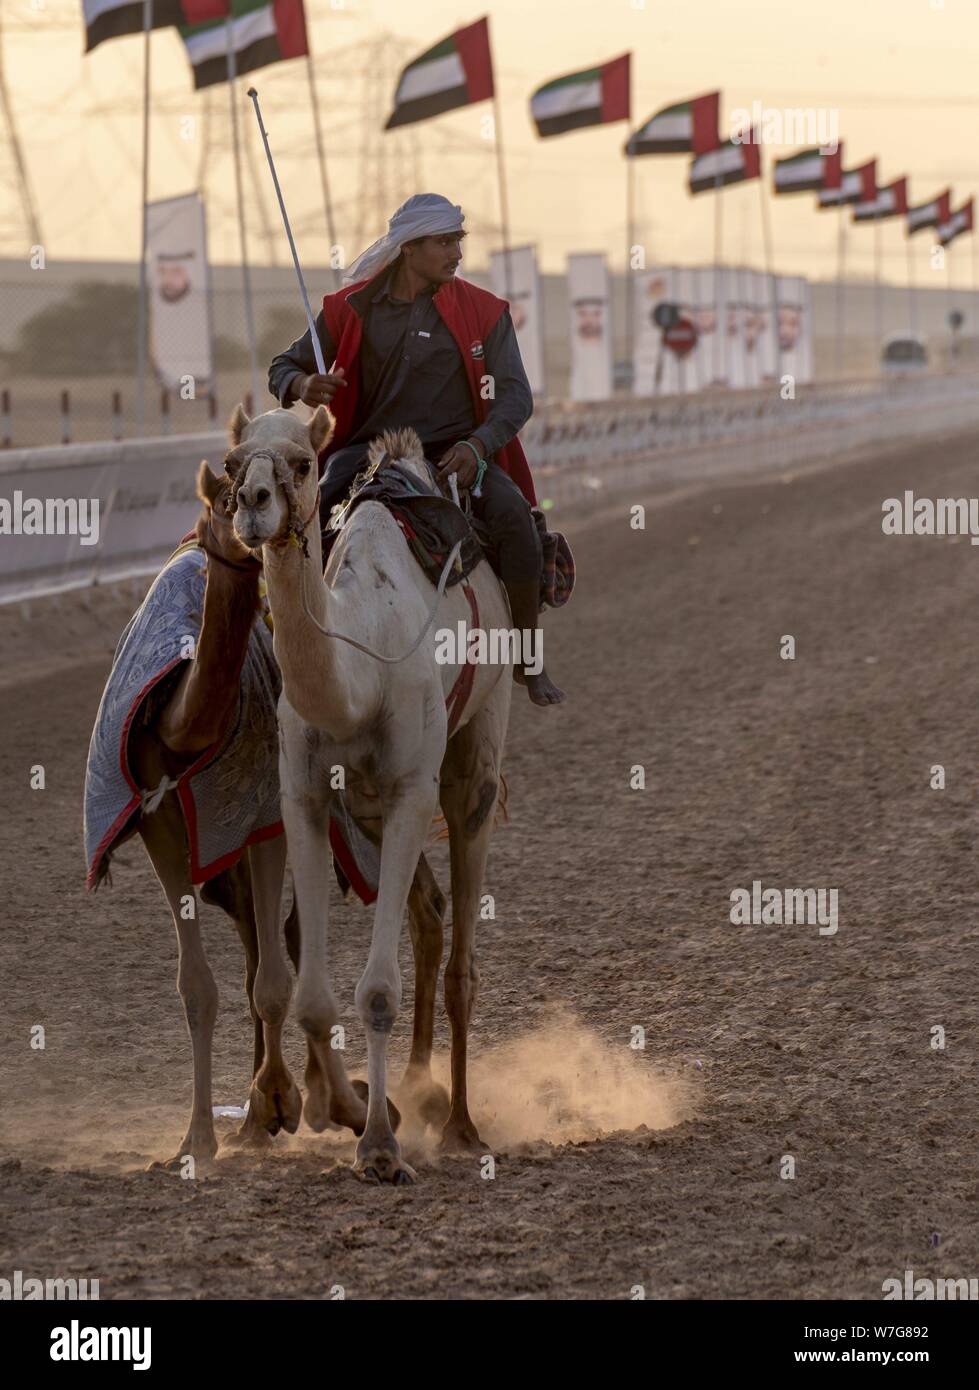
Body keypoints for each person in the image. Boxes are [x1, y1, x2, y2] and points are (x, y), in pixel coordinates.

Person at [267, 193, 564, 707]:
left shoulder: (485, 312)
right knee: (295, 526)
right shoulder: (349, 308)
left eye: (458, 241)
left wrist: (479, 444)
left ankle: (527, 659)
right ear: (410, 248)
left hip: (456, 456)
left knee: (516, 522)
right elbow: (282, 366)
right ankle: (279, 650)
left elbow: (516, 396)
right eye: (444, 242)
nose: (456, 253)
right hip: (365, 453)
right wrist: (302, 385)